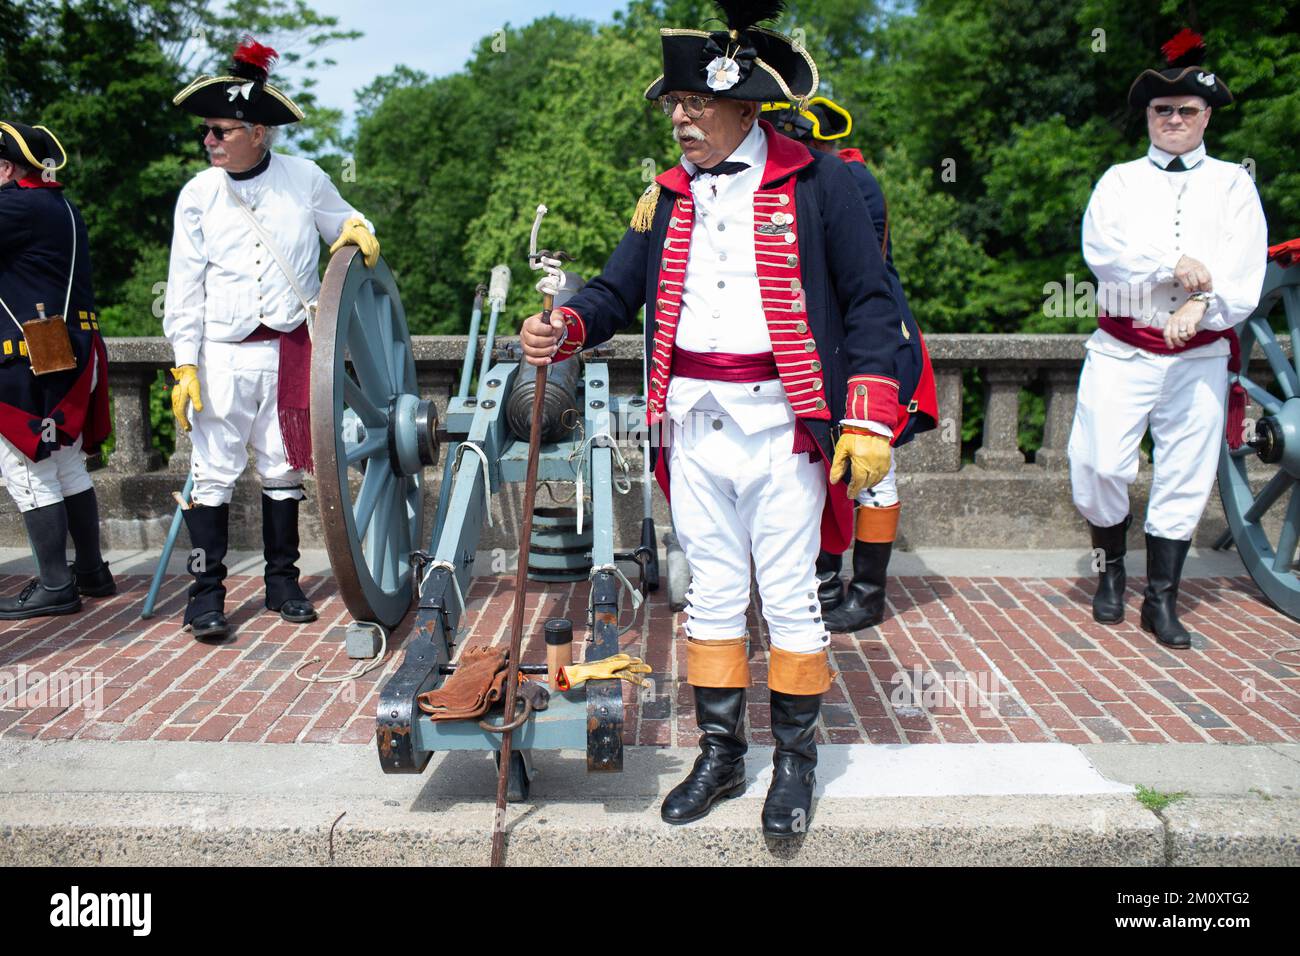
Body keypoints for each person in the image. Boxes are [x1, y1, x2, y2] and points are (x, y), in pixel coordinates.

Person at [520, 0, 908, 837]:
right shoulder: (664, 196)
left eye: (695, 103)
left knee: (793, 598)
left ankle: (796, 762)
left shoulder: (821, 183)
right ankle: (723, 754)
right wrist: (567, 326)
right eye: (674, 104)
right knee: (715, 594)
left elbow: (872, 303)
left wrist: (869, 415)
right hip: (690, 422)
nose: (680, 119)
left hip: (783, 422)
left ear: (744, 107)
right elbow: (615, 293)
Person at [164, 37, 379, 640]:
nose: (209, 140)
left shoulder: (304, 178)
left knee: (284, 471)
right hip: (221, 354)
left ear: (257, 132)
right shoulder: (198, 194)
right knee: (212, 475)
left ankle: (283, 583)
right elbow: (183, 287)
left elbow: (347, 221)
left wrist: (357, 230)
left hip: (289, 351)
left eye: (221, 131)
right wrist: (184, 364)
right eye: (206, 131)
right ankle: (204, 595)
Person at [1068, 29, 1267, 648]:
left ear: (1206, 116)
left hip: (1198, 355)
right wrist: (1171, 264)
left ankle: (1161, 601)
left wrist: (1204, 307)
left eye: (1186, 109)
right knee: (1099, 463)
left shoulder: (1234, 184)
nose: (1174, 119)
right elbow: (1104, 253)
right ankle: (1111, 570)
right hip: (1123, 347)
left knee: (1185, 473)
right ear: (1148, 116)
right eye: (1162, 109)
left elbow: (1245, 267)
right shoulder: (1119, 181)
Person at [764, 96, 937, 632]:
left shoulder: (846, 178)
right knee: (826, 462)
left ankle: (867, 593)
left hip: (868, 344)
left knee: (870, 470)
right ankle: (824, 582)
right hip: (830, 342)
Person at [0, 121, 113, 619]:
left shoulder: (15, 206)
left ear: (6, 167)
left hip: (28, 360)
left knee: (28, 468)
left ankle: (54, 584)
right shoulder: (60, 204)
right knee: (66, 464)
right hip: (69, 353)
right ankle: (90, 570)